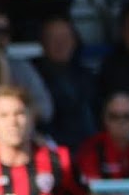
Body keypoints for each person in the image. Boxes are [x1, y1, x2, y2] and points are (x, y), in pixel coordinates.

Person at [34, 16, 97, 150]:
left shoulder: (88, 76)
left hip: (92, 149)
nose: (60, 43)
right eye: (53, 38)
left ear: (75, 41)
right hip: (53, 149)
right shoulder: (32, 76)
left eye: (65, 37)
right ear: (42, 43)